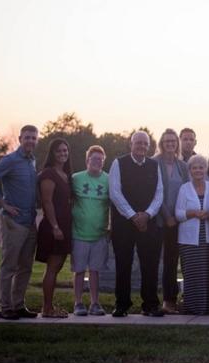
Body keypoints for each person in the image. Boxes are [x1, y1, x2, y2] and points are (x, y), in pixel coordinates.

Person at [0, 125, 40, 320]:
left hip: (30, 221)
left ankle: (18, 305)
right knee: (9, 266)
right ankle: (5, 307)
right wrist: (3, 204)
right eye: (27, 137)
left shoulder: (32, 161)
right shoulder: (11, 160)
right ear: (20, 139)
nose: (31, 140)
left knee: (26, 267)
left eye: (34, 138)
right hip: (13, 221)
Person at [109, 130, 165, 317]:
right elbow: (115, 193)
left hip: (148, 222)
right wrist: (133, 216)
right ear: (131, 144)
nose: (141, 146)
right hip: (124, 223)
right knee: (123, 264)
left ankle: (150, 305)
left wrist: (147, 215)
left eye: (145, 144)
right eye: (138, 143)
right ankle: (122, 304)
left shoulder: (153, 165)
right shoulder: (119, 163)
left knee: (150, 264)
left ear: (149, 147)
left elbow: (159, 193)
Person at [175, 155, 209, 315]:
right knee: (193, 274)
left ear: (206, 169)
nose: (198, 170)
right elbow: (178, 213)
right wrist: (192, 213)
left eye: (201, 167)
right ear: (190, 170)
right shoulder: (184, 188)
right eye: (195, 168)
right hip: (189, 239)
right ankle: (193, 307)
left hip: (208, 238)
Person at [34, 138, 73, 318]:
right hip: (53, 227)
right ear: (52, 153)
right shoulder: (49, 174)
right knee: (52, 267)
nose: (62, 154)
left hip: (64, 226)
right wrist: (55, 226)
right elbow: (47, 201)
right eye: (59, 151)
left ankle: (49, 307)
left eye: (65, 150)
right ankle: (47, 309)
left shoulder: (65, 174)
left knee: (56, 268)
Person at [154, 129, 190, 314]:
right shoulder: (154, 163)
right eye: (166, 141)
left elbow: (187, 191)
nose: (170, 144)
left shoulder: (182, 166)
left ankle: (170, 300)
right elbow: (154, 192)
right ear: (161, 143)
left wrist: (176, 216)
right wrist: (166, 215)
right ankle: (152, 300)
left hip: (177, 221)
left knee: (171, 261)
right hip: (158, 219)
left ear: (177, 144)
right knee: (153, 261)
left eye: (173, 141)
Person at [70, 145, 109, 316]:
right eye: (94, 159)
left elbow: (114, 205)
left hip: (99, 234)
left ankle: (94, 303)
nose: (97, 162)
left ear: (103, 162)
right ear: (87, 161)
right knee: (79, 270)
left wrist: (111, 227)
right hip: (79, 233)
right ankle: (78, 303)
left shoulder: (109, 180)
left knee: (95, 270)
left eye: (100, 160)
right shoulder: (76, 179)